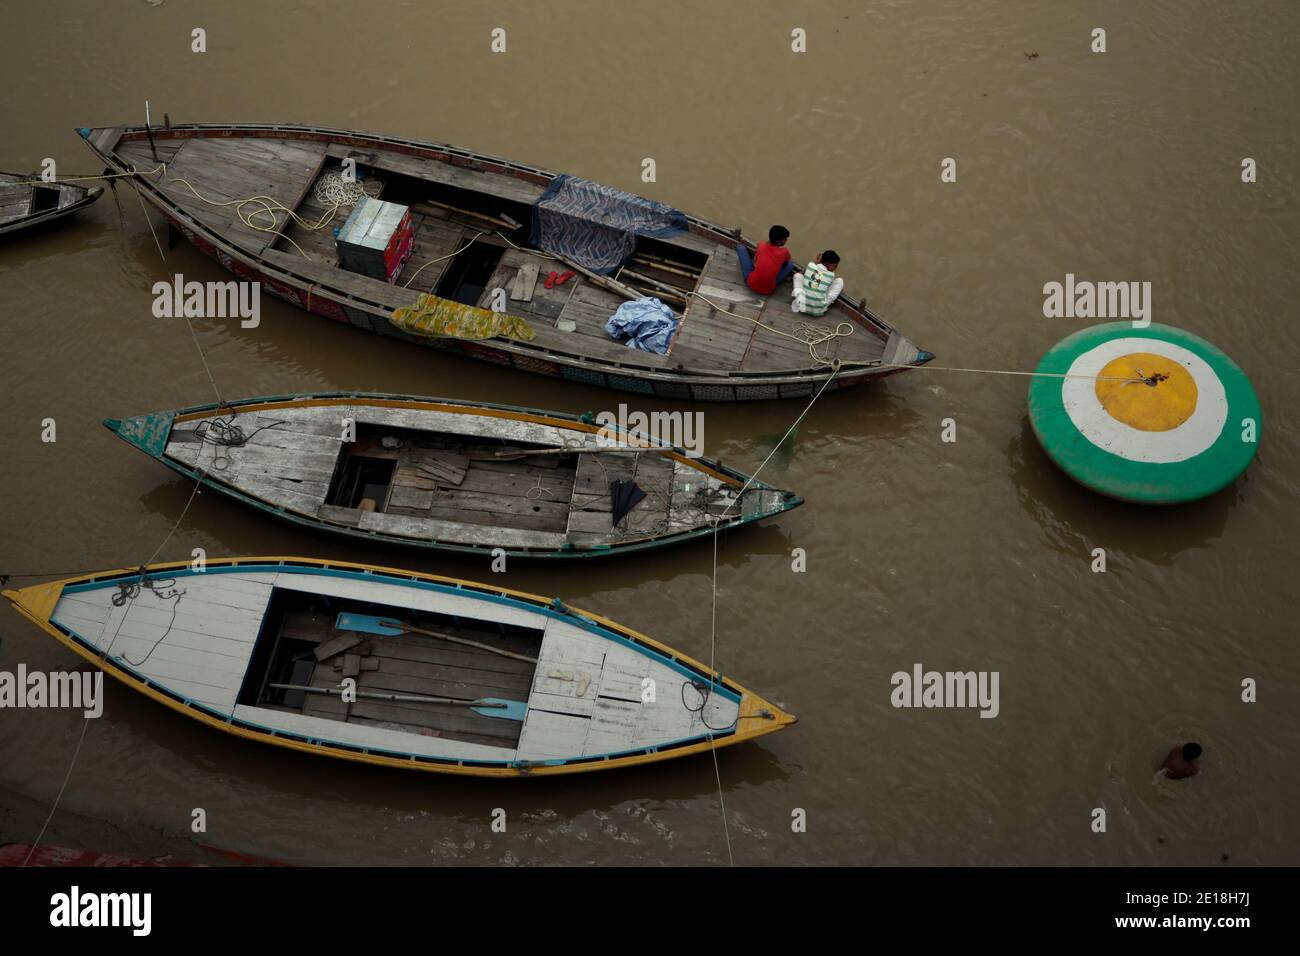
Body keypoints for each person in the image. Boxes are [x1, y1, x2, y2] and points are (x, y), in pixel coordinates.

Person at [735, 225, 794, 295]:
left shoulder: (761, 245)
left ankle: (740, 244)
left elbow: (759, 254)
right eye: (785, 239)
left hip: (751, 284)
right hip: (768, 290)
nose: (786, 240)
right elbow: (786, 263)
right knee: (790, 264)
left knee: (741, 248)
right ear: (778, 242)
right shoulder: (784, 252)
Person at [792, 250, 844, 317]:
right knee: (840, 281)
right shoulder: (831, 275)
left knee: (797, 275)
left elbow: (802, 273)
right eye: (835, 266)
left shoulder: (810, 265)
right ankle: (818, 303)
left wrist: (816, 262)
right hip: (818, 310)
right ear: (828, 264)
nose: (836, 268)